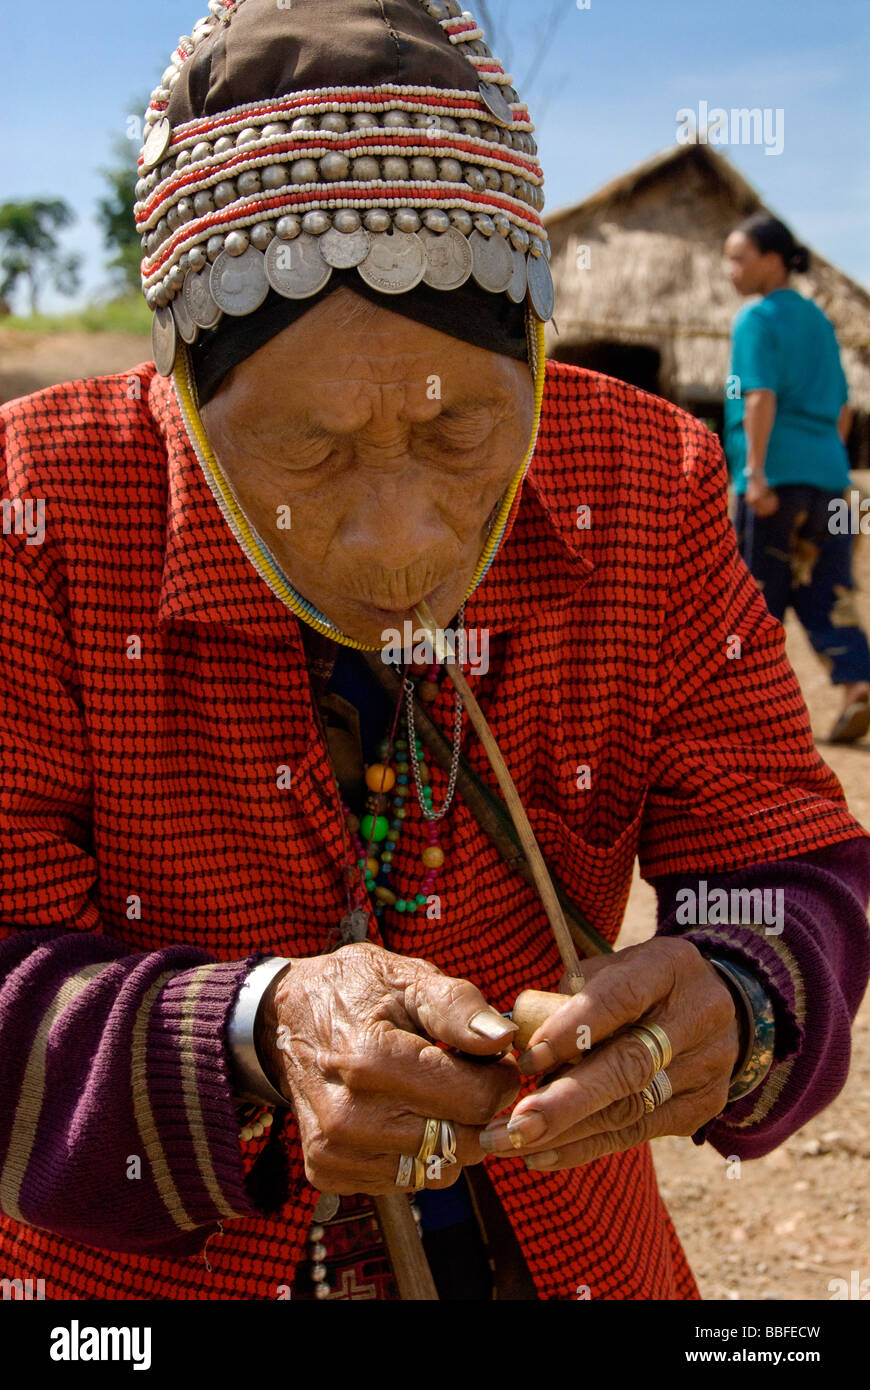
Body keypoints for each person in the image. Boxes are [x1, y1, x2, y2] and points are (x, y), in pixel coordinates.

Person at [1, 0, 869, 1303]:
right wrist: (248, 1033)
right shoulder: (38, 517)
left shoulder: (643, 480)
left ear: (531, 348)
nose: (399, 535)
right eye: (309, 448)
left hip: (563, 1247)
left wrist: (741, 1000)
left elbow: (781, 854)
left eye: (462, 430)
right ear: (183, 385)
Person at [724, 212, 870, 743]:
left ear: (773, 260)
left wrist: (756, 473)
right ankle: (857, 685)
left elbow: (759, 396)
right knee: (828, 587)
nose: (729, 270)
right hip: (829, 476)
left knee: (755, 597)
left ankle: (746, 716)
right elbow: (844, 412)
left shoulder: (756, 320)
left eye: (739, 258)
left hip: (775, 478)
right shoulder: (819, 321)